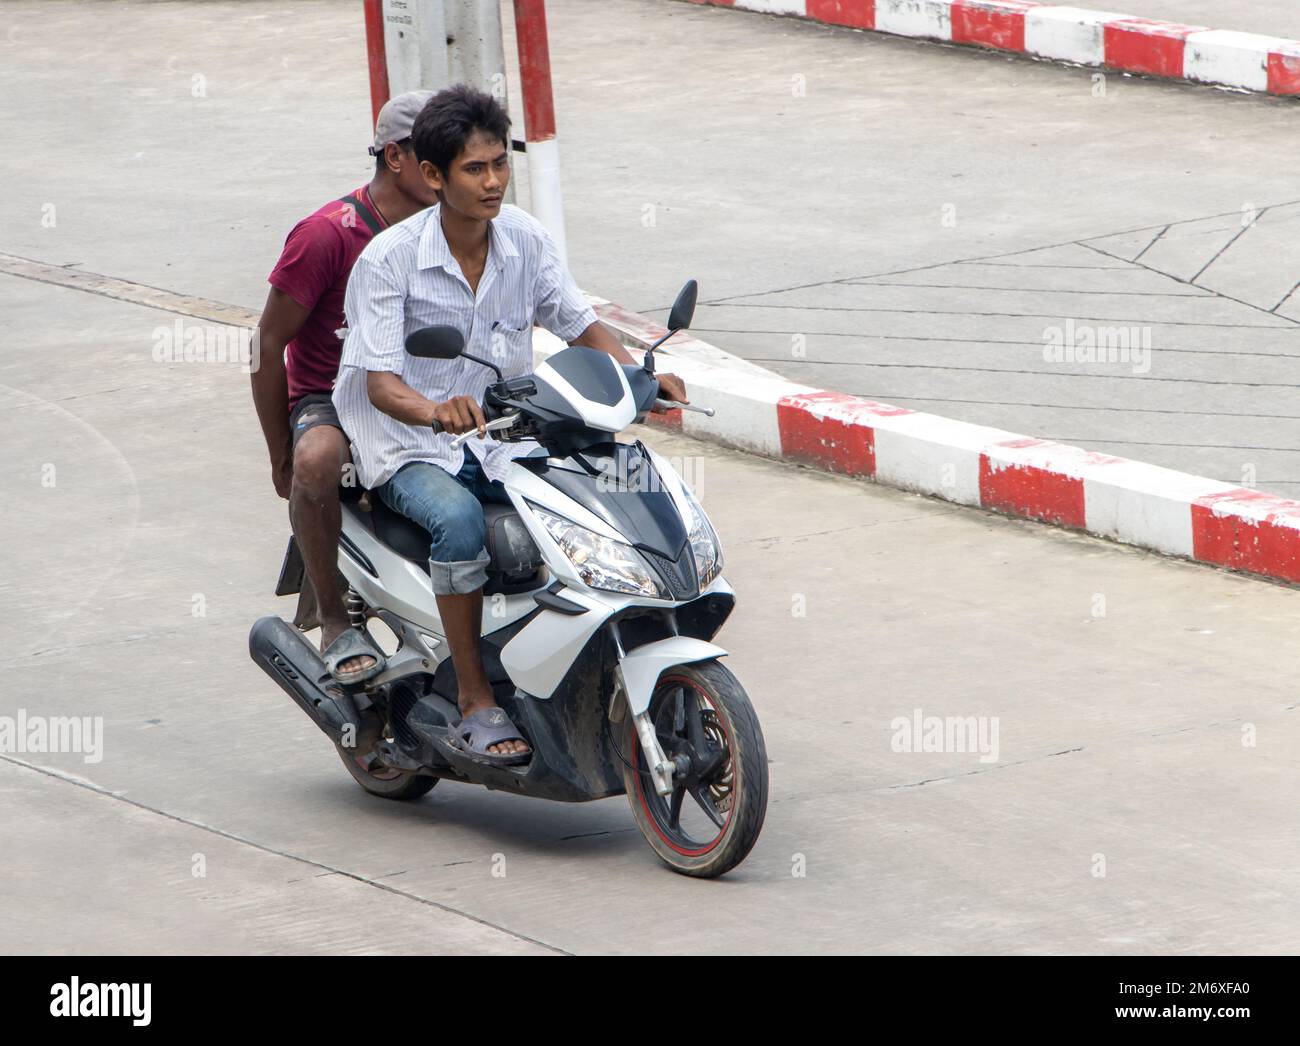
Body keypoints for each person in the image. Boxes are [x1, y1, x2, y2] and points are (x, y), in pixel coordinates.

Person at [333, 84, 688, 763]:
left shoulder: (525, 238)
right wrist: (436, 410)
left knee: (600, 494)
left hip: (507, 438)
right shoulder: (388, 261)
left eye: (499, 164)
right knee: (461, 523)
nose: (493, 181)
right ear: (433, 177)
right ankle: (476, 698)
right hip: (411, 444)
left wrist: (640, 377)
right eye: (475, 168)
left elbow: (577, 322)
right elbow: (379, 383)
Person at [251, 91, 441, 684]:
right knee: (319, 458)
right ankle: (335, 621)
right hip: (332, 399)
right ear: (395, 157)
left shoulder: (453, 230)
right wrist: (281, 449)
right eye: (435, 155)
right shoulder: (327, 235)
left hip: (417, 391)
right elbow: (265, 346)